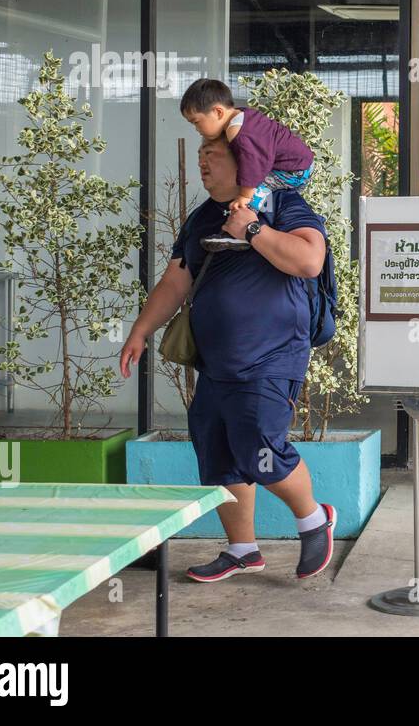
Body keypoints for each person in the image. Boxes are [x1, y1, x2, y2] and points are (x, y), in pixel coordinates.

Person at [118, 135, 338, 583]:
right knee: (216, 452)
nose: (202, 162)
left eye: (212, 154)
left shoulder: (282, 202)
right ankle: (243, 550)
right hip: (217, 361)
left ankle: (314, 518)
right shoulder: (202, 216)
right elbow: (176, 282)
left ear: (244, 161)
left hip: (273, 356)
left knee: (261, 447)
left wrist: (253, 229)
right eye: (200, 154)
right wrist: (141, 330)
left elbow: (310, 260)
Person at [179, 78, 316, 250]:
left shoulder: (238, 132)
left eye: (196, 122)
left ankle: (241, 234)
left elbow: (254, 165)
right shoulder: (242, 116)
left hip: (294, 170)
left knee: (251, 195)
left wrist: (244, 196)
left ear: (218, 112)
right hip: (299, 164)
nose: (196, 129)